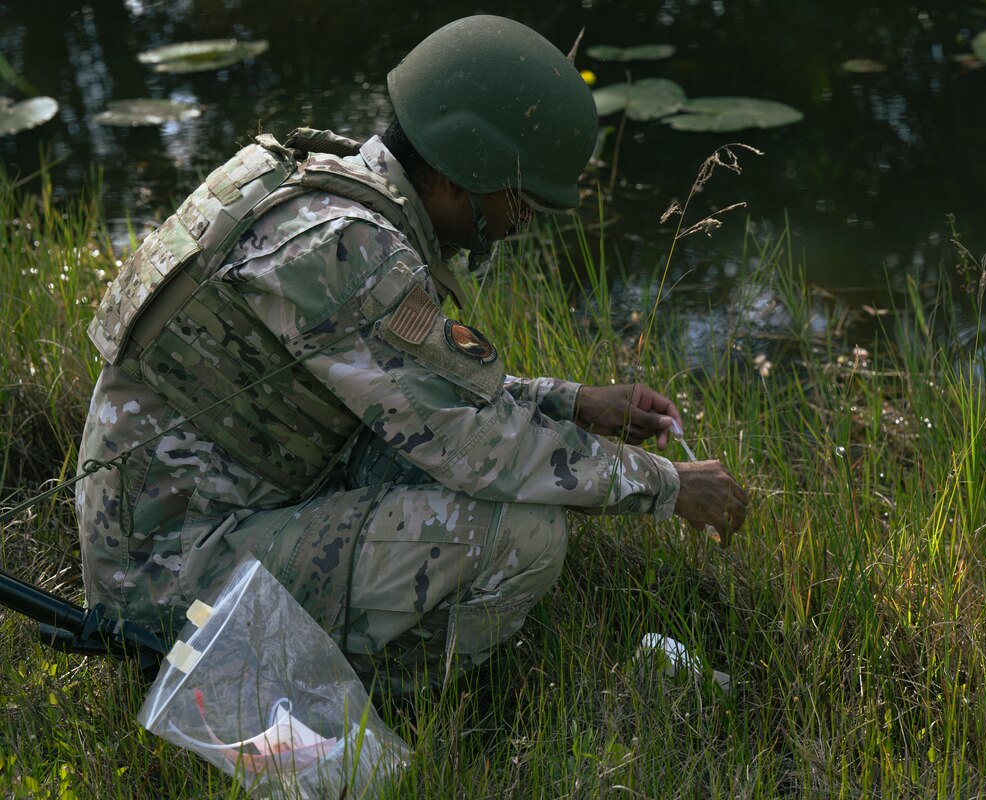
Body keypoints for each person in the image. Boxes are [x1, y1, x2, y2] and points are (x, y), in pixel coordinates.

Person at [75, 14, 748, 692]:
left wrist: (572, 404)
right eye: (521, 202)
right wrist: (667, 485)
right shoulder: (349, 252)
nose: (522, 224)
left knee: (509, 471)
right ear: (459, 177)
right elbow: (474, 445)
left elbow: (423, 399)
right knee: (525, 538)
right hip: (169, 589)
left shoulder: (319, 188)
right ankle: (371, 698)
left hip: (190, 520)